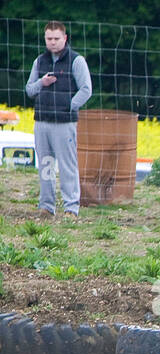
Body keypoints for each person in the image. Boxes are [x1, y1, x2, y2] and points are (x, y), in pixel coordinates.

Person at [25, 21, 91, 218]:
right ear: (45, 39)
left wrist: (69, 106)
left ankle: (71, 207)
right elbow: (29, 90)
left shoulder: (76, 61)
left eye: (56, 38)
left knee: (67, 165)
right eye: (49, 38)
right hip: (42, 121)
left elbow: (86, 89)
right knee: (45, 164)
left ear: (65, 38)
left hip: (64, 123)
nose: (52, 42)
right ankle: (46, 206)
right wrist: (41, 83)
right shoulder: (39, 61)